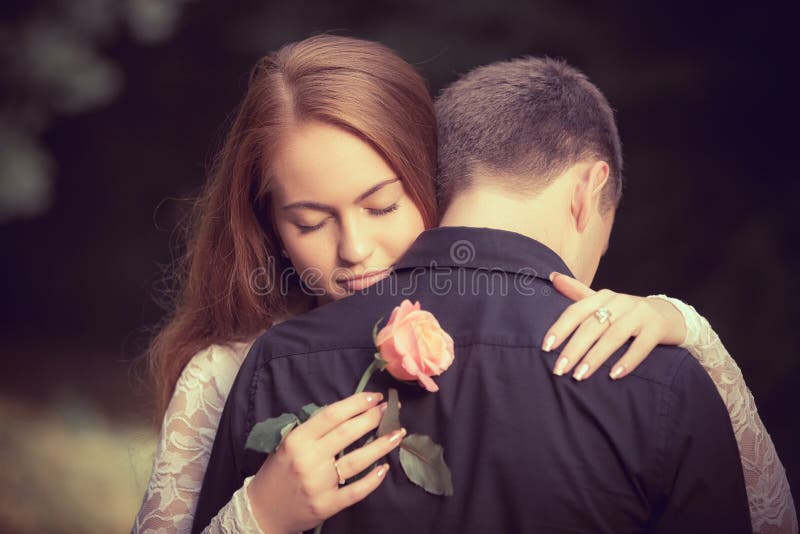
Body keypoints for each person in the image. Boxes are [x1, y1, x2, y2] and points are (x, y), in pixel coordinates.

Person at [133, 36, 796, 533]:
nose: (355, 249)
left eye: (382, 205)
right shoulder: (236, 372)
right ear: (269, 224)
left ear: (438, 181)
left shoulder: (595, 336)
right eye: (309, 220)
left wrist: (683, 325)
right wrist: (258, 516)